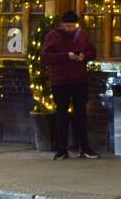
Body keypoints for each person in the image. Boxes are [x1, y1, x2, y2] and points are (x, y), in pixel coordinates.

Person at [41, 10, 98, 160]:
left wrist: (84, 56)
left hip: (80, 80)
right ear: (62, 25)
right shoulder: (52, 36)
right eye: (68, 26)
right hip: (60, 82)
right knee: (62, 115)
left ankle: (84, 147)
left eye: (73, 25)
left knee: (81, 115)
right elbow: (46, 57)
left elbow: (93, 51)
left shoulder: (82, 35)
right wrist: (66, 56)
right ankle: (62, 149)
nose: (71, 28)